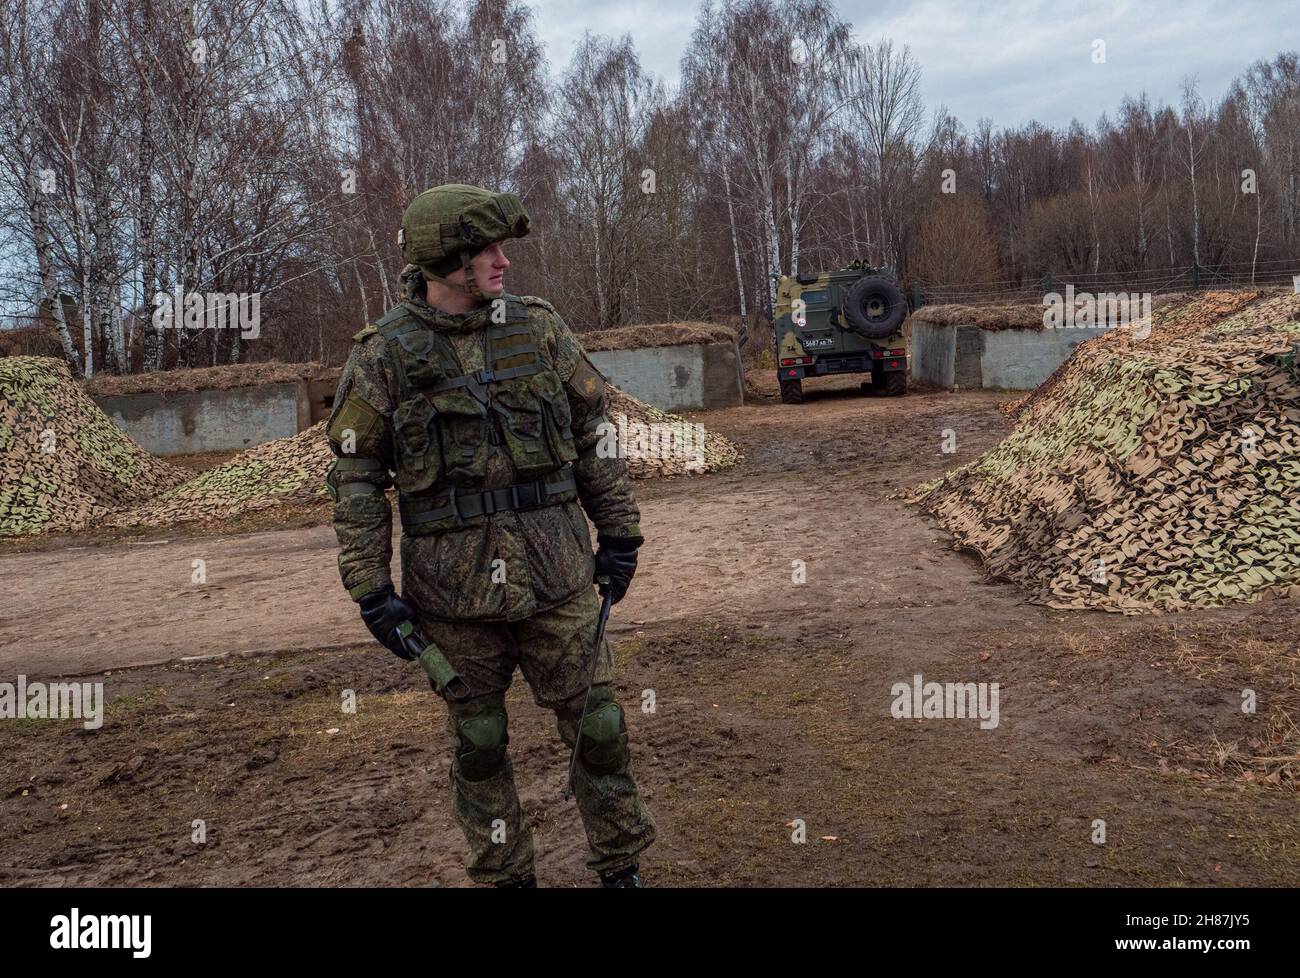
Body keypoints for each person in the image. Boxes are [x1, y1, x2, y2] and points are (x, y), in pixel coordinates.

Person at [325, 184, 655, 887]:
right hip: (454, 598)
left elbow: (595, 430)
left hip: (558, 578)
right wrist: (370, 589)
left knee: (599, 730)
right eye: (486, 250)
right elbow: (355, 476)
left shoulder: (537, 328)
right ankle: (507, 876)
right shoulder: (384, 355)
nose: (504, 261)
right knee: (479, 746)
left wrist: (620, 532)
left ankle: (621, 867)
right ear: (446, 258)